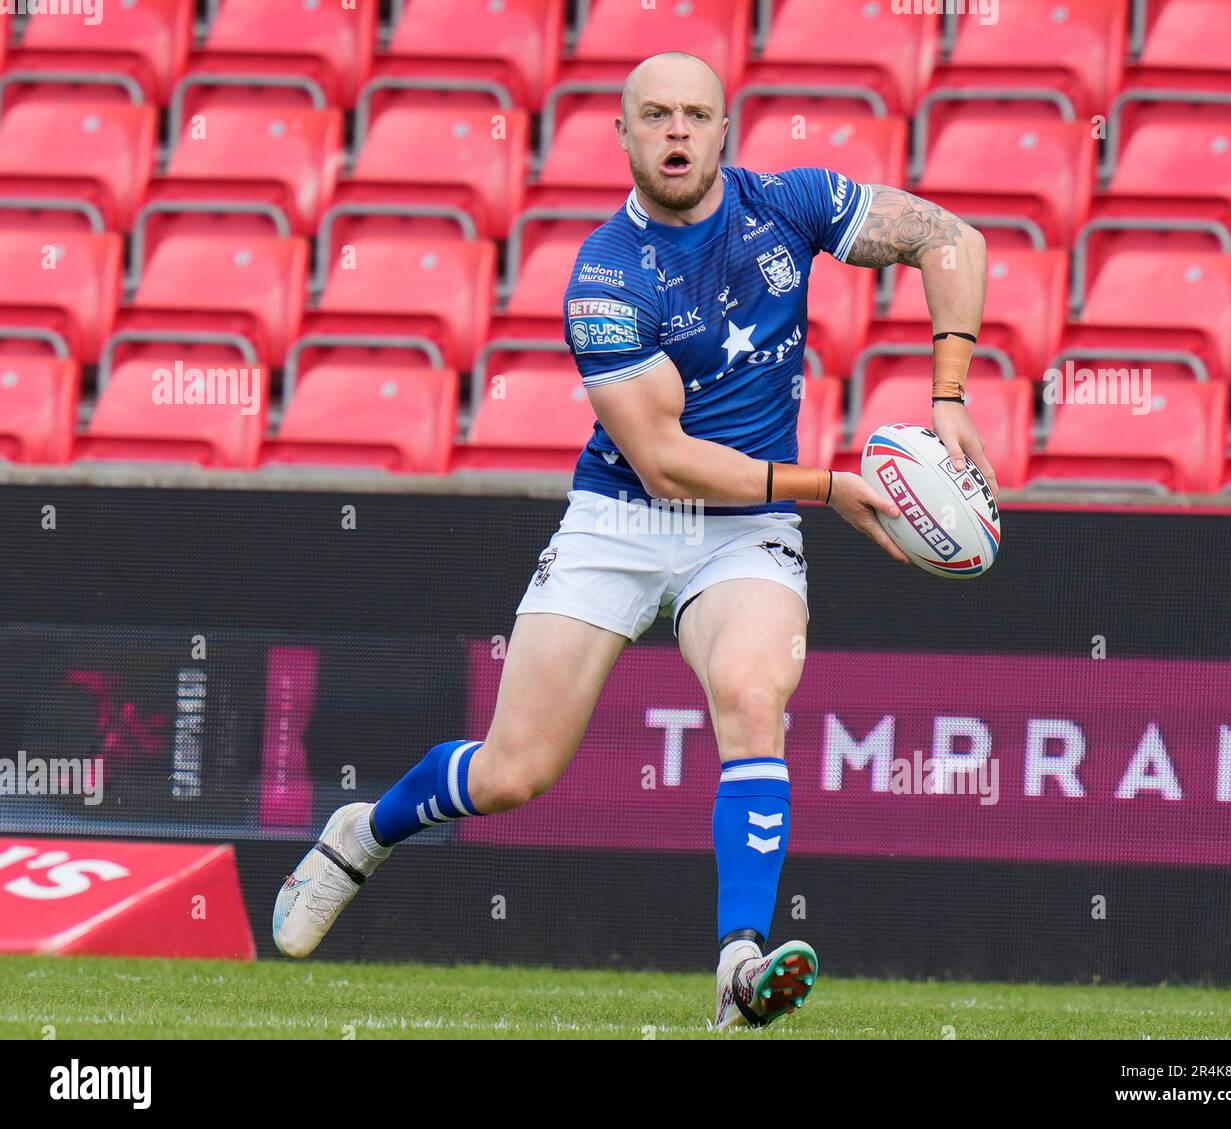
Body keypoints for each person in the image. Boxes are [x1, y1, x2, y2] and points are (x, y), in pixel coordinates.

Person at [273, 50, 995, 1030]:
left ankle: (740, 965)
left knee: (752, 694)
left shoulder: (791, 205)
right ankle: (364, 831)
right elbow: (664, 462)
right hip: (622, 519)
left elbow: (950, 238)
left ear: (723, 129)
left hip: (747, 527)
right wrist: (830, 486)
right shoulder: (606, 277)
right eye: (654, 115)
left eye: (695, 114)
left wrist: (947, 393)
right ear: (621, 132)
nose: (676, 132)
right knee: (513, 772)